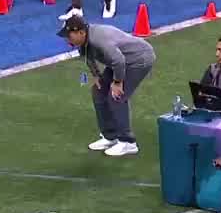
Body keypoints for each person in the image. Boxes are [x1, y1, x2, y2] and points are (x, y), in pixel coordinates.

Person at [59, 14, 156, 157]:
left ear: (81, 32)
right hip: (120, 62)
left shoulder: (99, 39)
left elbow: (119, 60)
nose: (68, 39)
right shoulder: (83, 41)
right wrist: (97, 75)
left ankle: (128, 142)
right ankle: (110, 136)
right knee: (98, 91)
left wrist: (117, 83)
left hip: (139, 59)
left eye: (70, 36)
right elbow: (87, 57)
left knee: (116, 96)